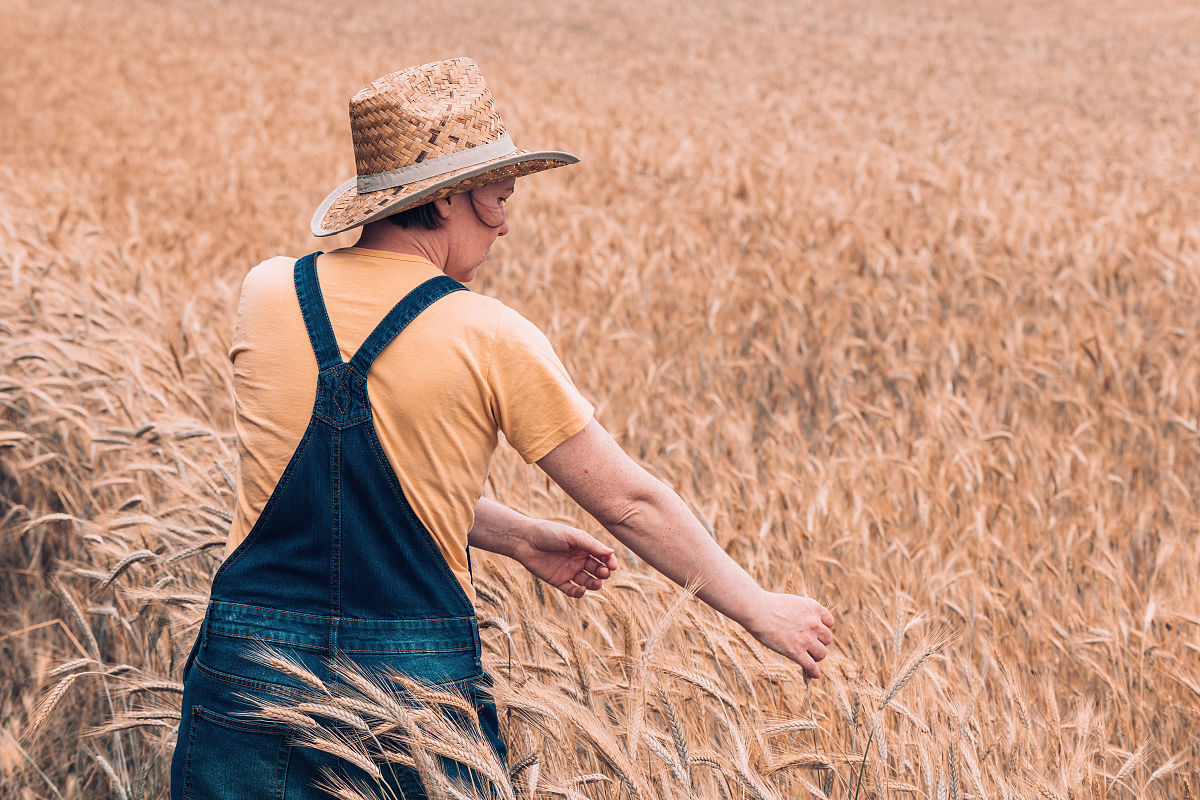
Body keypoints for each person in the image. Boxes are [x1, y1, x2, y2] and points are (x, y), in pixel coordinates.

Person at [170, 57, 834, 799]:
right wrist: (759, 607)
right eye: (496, 200)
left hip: (251, 665)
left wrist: (514, 535)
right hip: (412, 688)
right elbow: (630, 504)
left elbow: (334, 479)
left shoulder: (266, 291)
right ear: (446, 200)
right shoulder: (491, 336)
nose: (506, 225)